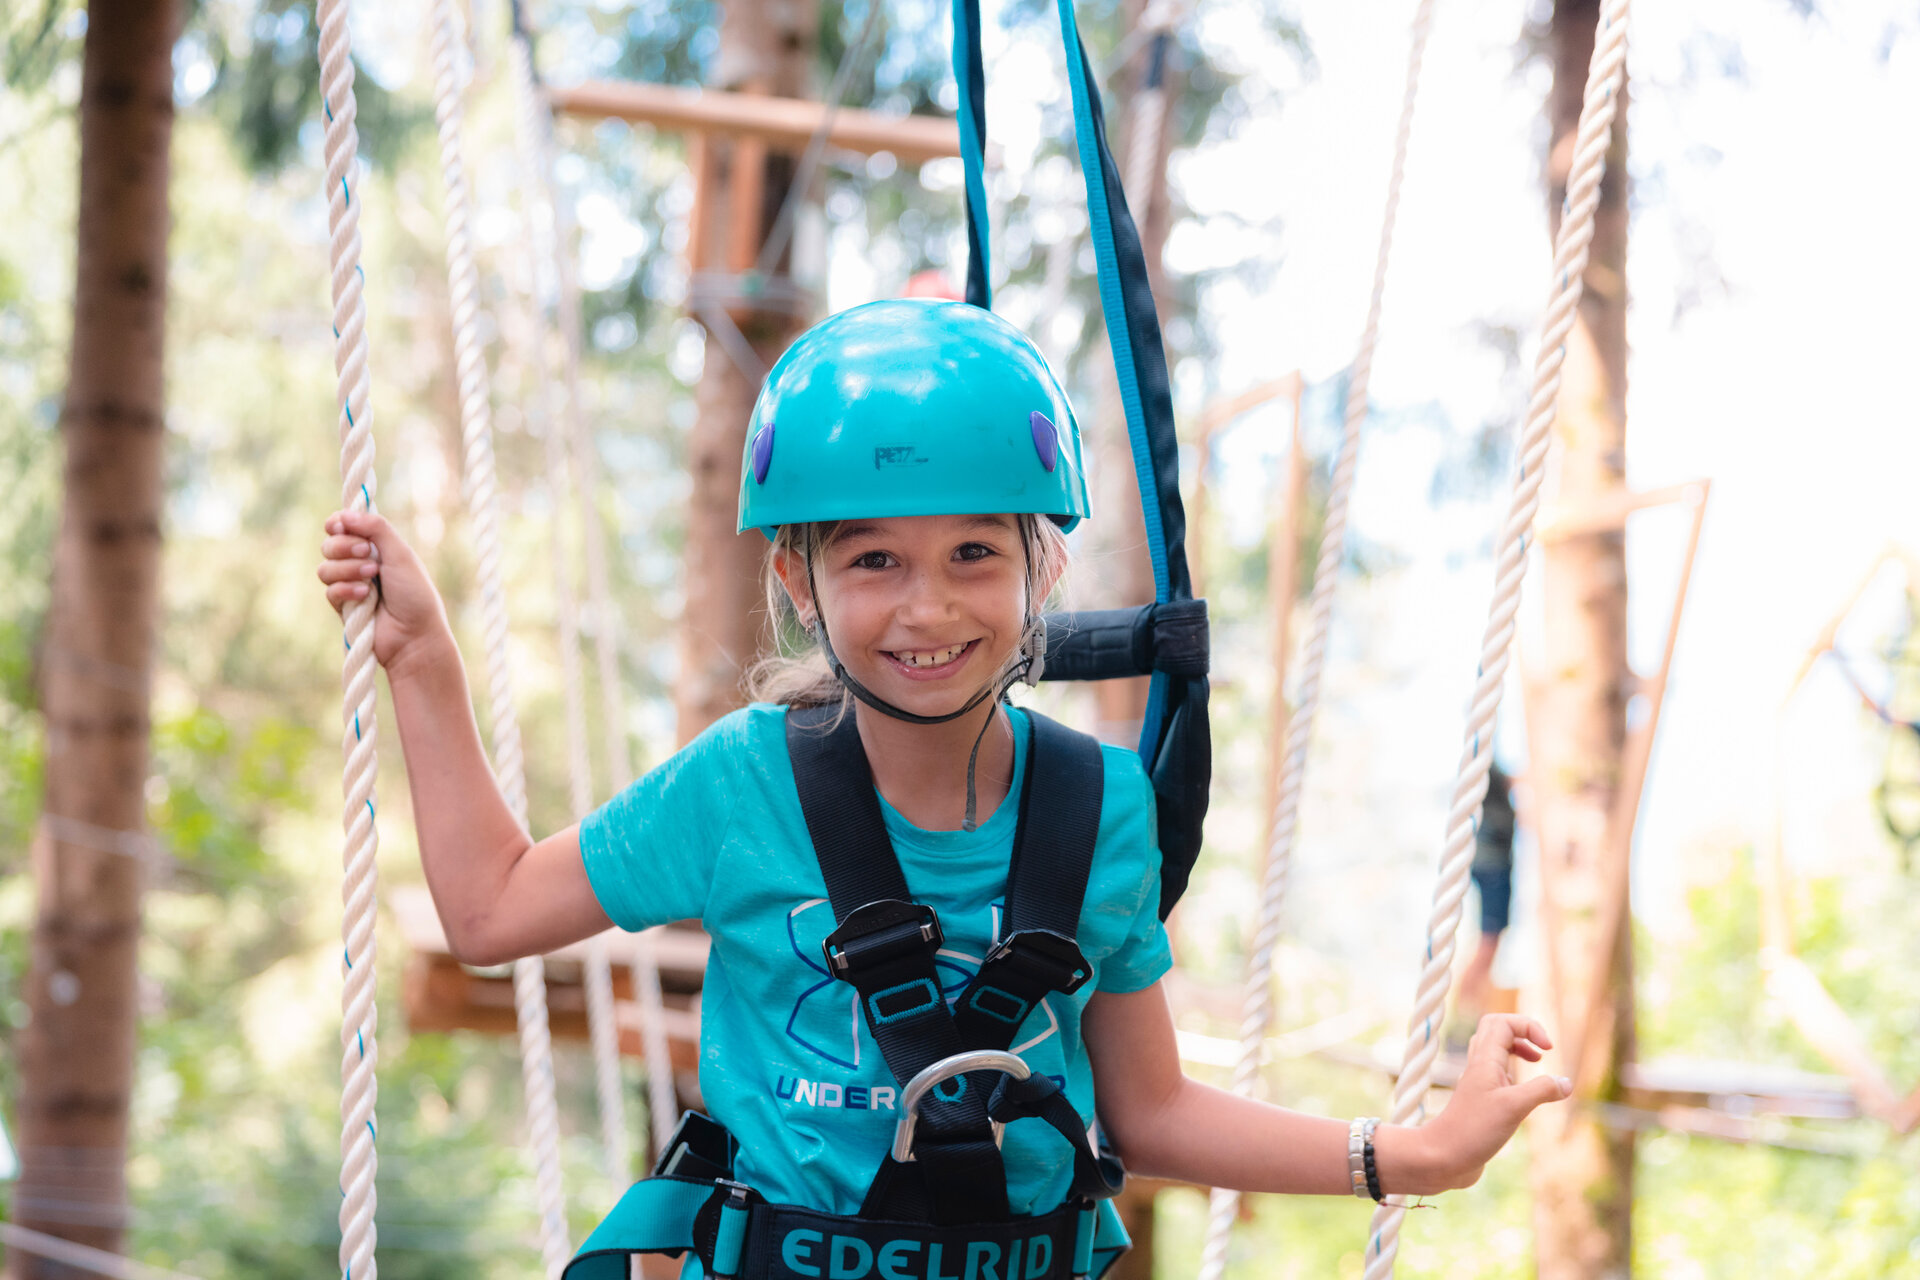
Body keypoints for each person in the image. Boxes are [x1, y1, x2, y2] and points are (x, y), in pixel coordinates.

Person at [317, 300, 1570, 1276]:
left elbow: (1151, 1107)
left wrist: (1413, 1152)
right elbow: (488, 909)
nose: (927, 605)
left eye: (975, 552)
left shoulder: (1100, 813)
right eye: (874, 560)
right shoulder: (744, 784)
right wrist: (424, 661)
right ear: (800, 580)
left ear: (1043, 564)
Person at [1456, 762, 1517, 1039]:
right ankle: (1462, 1017)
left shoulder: (1489, 772)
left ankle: (1470, 1012)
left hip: (1491, 863)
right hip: (1493, 865)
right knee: (1488, 943)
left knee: (1489, 944)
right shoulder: (1486, 767)